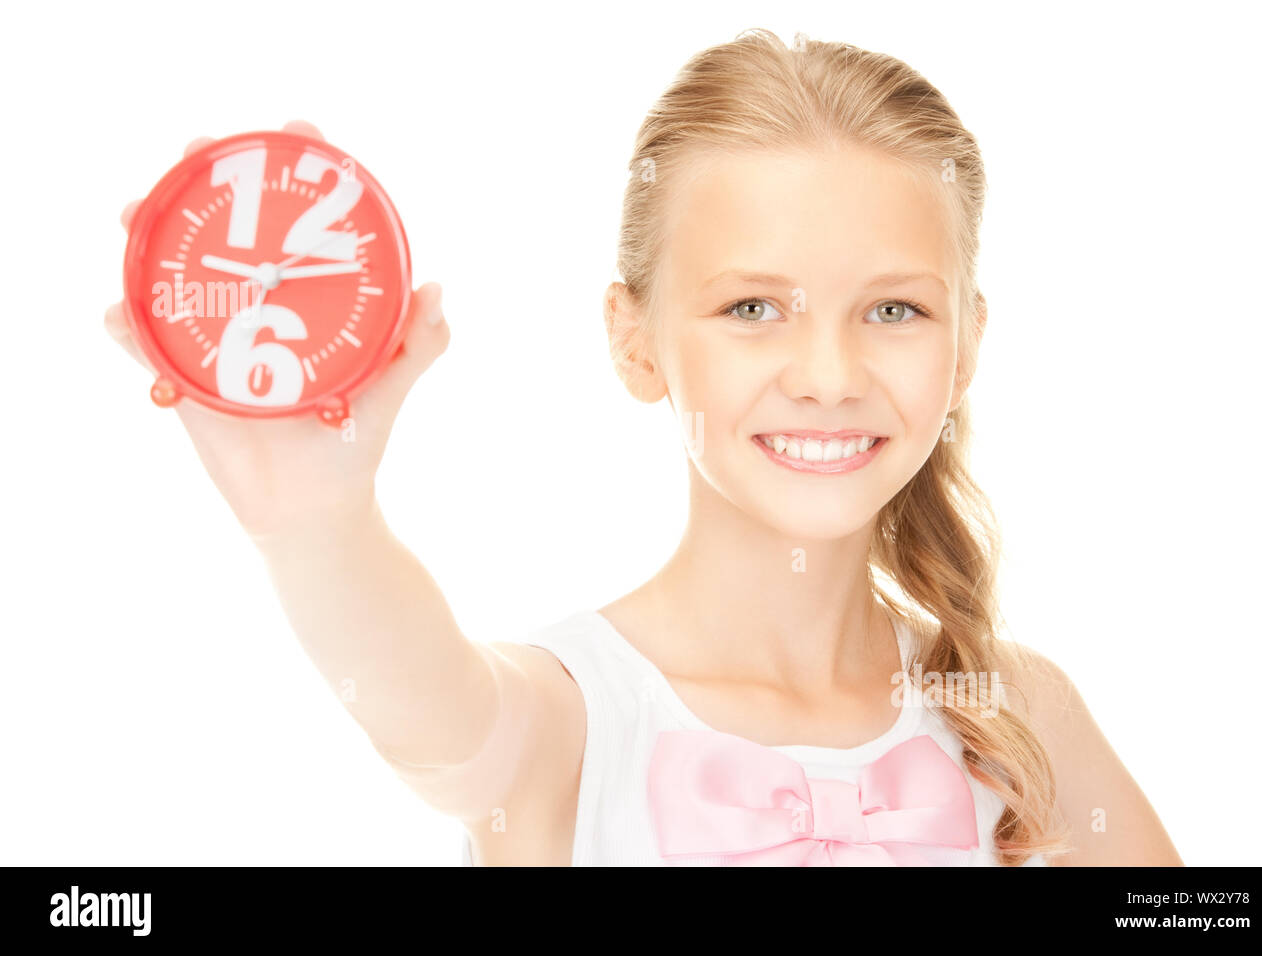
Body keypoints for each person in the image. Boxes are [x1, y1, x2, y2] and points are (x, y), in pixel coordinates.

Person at [104, 28, 1182, 867]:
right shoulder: (567, 719)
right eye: (754, 306)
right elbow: (423, 709)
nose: (829, 371)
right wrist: (317, 523)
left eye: (893, 310)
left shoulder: (1014, 710)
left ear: (969, 343)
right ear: (634, 339)